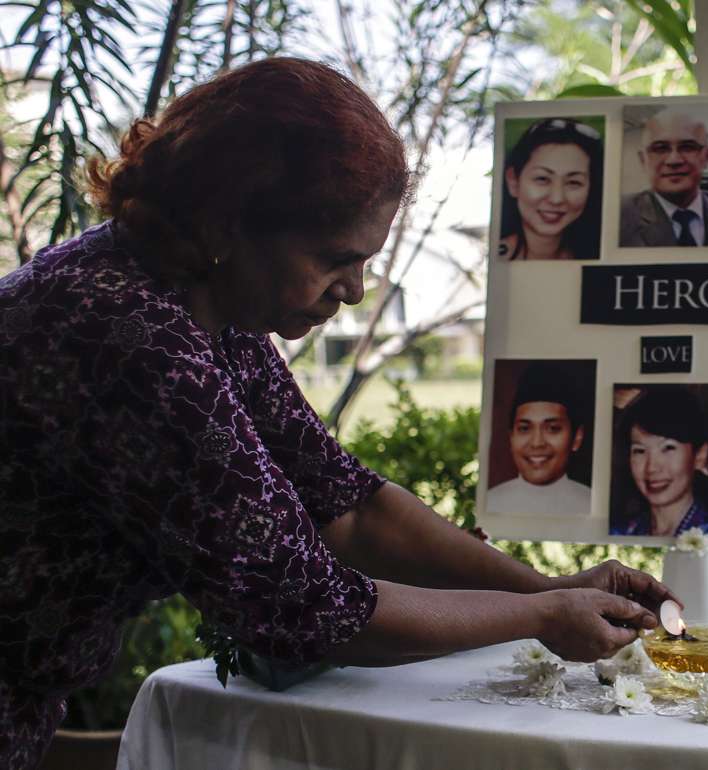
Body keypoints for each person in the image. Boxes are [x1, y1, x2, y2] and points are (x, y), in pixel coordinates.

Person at [0, 58, 673, 770]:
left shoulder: (209, 308)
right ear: (231, 222)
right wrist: (538, 617)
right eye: (334, 259)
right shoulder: (128, 334)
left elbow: (349, 506)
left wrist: (546, 589)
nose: (353, 290)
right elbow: (303, 607)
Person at [486, 362, 593, 515]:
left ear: (577, 438)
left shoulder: (592, 506)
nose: (537, 443)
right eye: (524, 428)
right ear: (511, 438)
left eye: (553, 429)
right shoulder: (490, 505)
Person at [610, 387, 708, 537]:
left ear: (699, 456)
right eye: (639, 451)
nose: (652, 468)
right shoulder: (620, 533)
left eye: (668, 448)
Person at [498, 117, 603, 260]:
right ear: (513, 181)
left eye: (573, 182)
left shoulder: (598, 259)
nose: (557, 198)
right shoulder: (492, 259)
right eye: (542, 179)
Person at [619, 108, 708, 247]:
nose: (674, 160)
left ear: (707, 157)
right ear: (643, 160)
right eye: (660, 148)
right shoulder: (618, 216)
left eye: (687, 147)